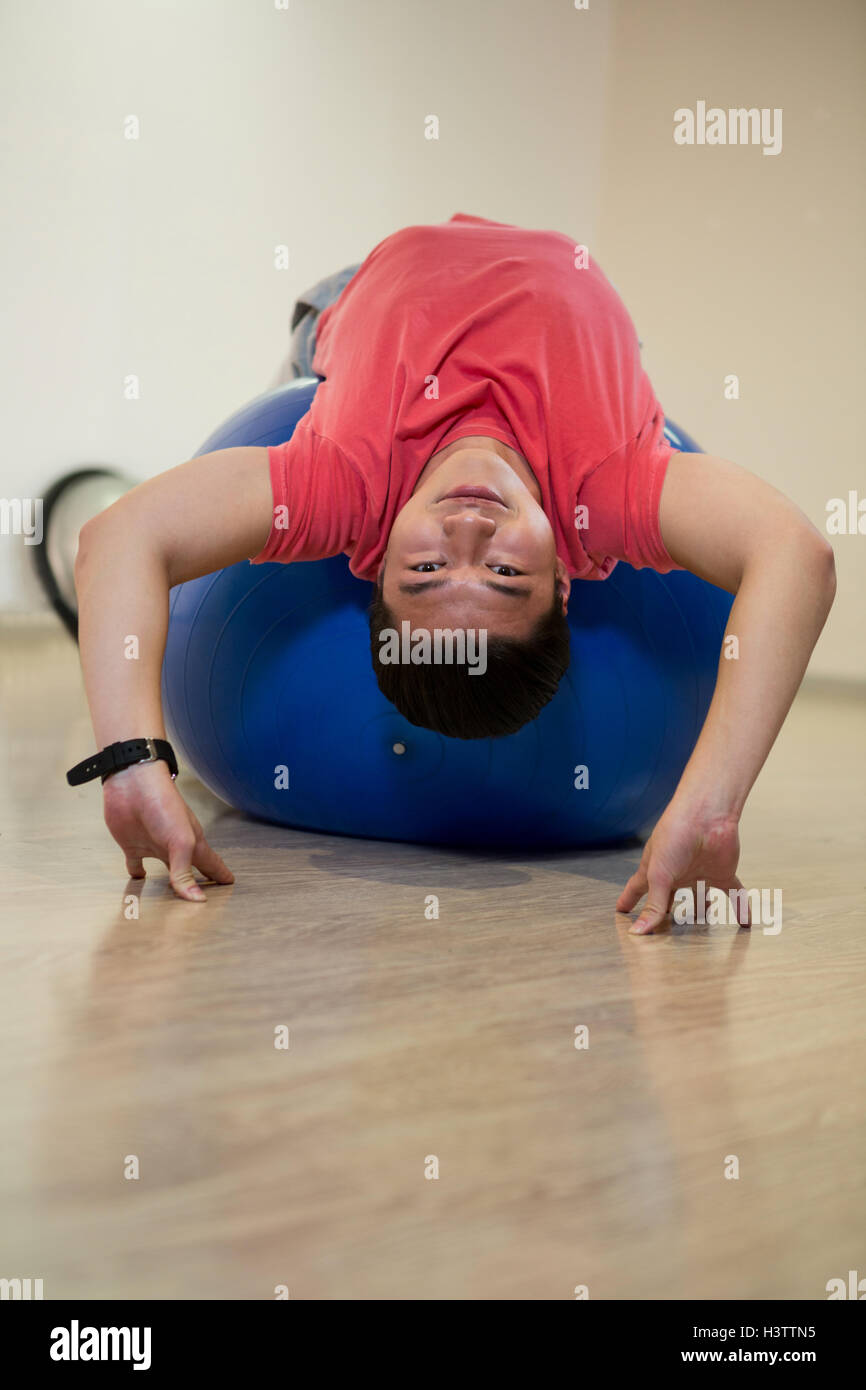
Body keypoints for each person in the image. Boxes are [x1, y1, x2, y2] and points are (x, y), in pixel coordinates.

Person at [72, 214, 835, 927]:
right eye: (506, 573)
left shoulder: (338, 486)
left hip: (358, 291)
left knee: (308, 366)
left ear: (368, 566)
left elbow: (118, 537)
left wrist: (132, 763)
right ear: (568, 581)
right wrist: (711, 805)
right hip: (552, 281)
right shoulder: (608, 491)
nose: (471, 525)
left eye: (427, 567)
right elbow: (797, 554)